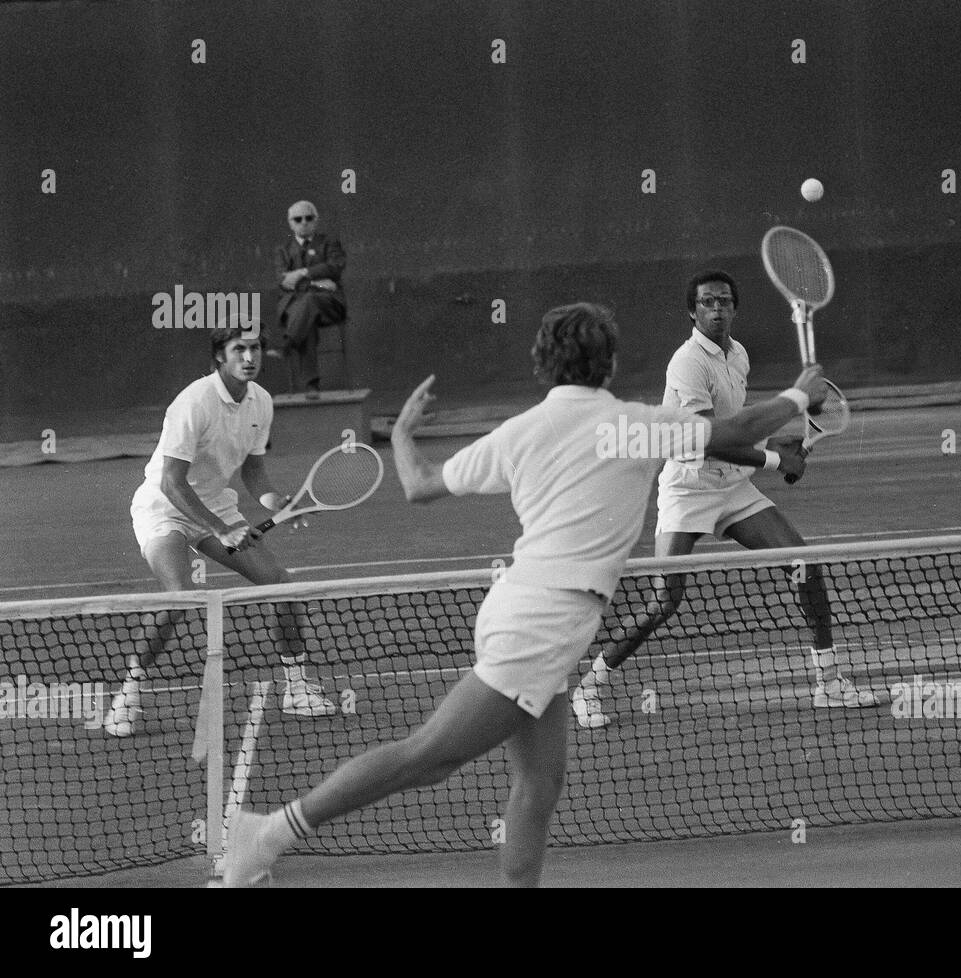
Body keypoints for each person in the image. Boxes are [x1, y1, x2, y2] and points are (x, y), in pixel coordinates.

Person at [222, 302, 827, 887]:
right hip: (544, 621)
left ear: (543, 364)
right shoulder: (636, 426)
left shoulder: (522, 430)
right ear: (608, 364)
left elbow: (420, 486)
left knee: (539, 781)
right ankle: (269, 833)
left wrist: (403, 433)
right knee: (428, 757)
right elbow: (737, 429)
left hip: (527, 609)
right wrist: (799, 394)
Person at [571, 270, 878, 729]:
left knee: (804, 564)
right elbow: (708, 439)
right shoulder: (686, 364)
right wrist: (775, 461)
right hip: (687, 487)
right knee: (664, 601)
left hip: (732, 485)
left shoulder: (738, 356)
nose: (717, 309)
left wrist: (781, 443)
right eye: (707, 302)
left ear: (735, 309)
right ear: (693, 311)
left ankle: (828, 681)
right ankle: (590, 687)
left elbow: (737, 424)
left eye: (724, 302)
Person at [104, 320, 335, 737]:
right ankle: (129, 691)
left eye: (256, 349)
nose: (249, 358)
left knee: (278, 583)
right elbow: (172, 482)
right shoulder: (192, 403)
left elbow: (255, 474)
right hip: (163, 508)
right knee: (179, 598)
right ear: (220, 356)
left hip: (214, 507)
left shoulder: (261, 402)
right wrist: (220, 530)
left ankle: (296, 688)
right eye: (239, 350)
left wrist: (280, 503)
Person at [273, 200, 347, 395]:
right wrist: (317, 282)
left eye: (309, 218)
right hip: (297, 306)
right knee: (306, 314)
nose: (303, 223)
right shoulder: (283, 250)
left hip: (329, 305)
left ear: (316, 221)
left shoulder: (329, 243)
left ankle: (287, 345)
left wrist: (302, 273)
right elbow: (283, 281)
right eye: (298, 219)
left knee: (309, 302)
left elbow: (335, 267)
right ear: (291, 223)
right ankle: (311, 386)